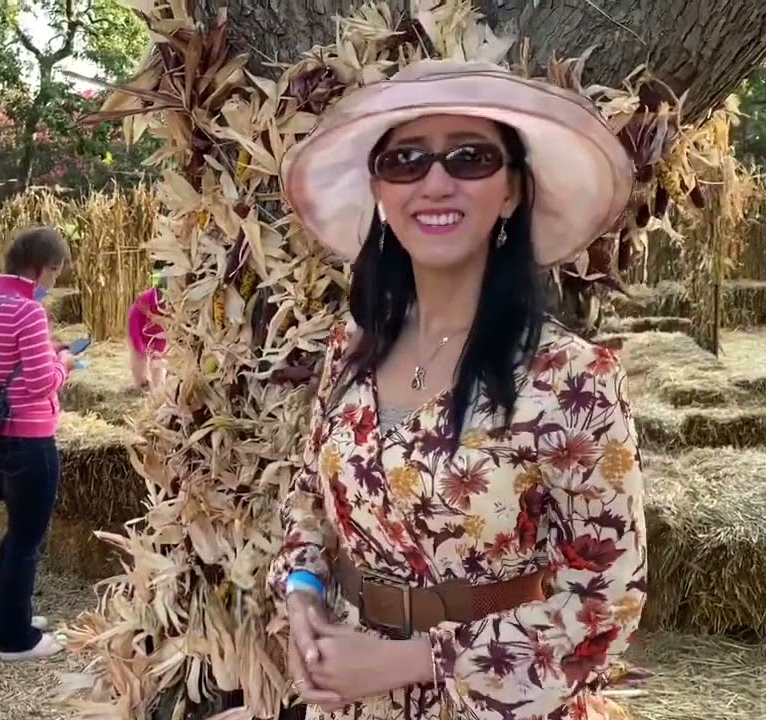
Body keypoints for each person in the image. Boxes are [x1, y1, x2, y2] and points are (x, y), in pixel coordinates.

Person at [268, 59, 646, 720]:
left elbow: (605, 596)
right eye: (405, 160)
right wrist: (302, 593)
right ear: (380, 190)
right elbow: (309, 500)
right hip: (354, 698)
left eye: (470, 158)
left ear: (511, 190)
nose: (435, 181)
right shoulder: (351, 347)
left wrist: (419, 660)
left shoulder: (570, 379)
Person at [0, 226, 76, 661]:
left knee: (16, 532)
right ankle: (17, 639)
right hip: (29, 438)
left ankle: (1, 613)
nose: (54, 281)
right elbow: (38, 383)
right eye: (54, 271)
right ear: (38, 268)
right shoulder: (28, 312)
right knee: (28, 539)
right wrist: (64, 363)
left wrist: (48, 356)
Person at [126, 276, 167, 389]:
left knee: (158, 357)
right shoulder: (142, 303)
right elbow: (134, 329)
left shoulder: (172, 303)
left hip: (159, 330)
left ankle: (158, 387)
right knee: (139, 355)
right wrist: (139, 346)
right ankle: (142, 383)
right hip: (139, 327)